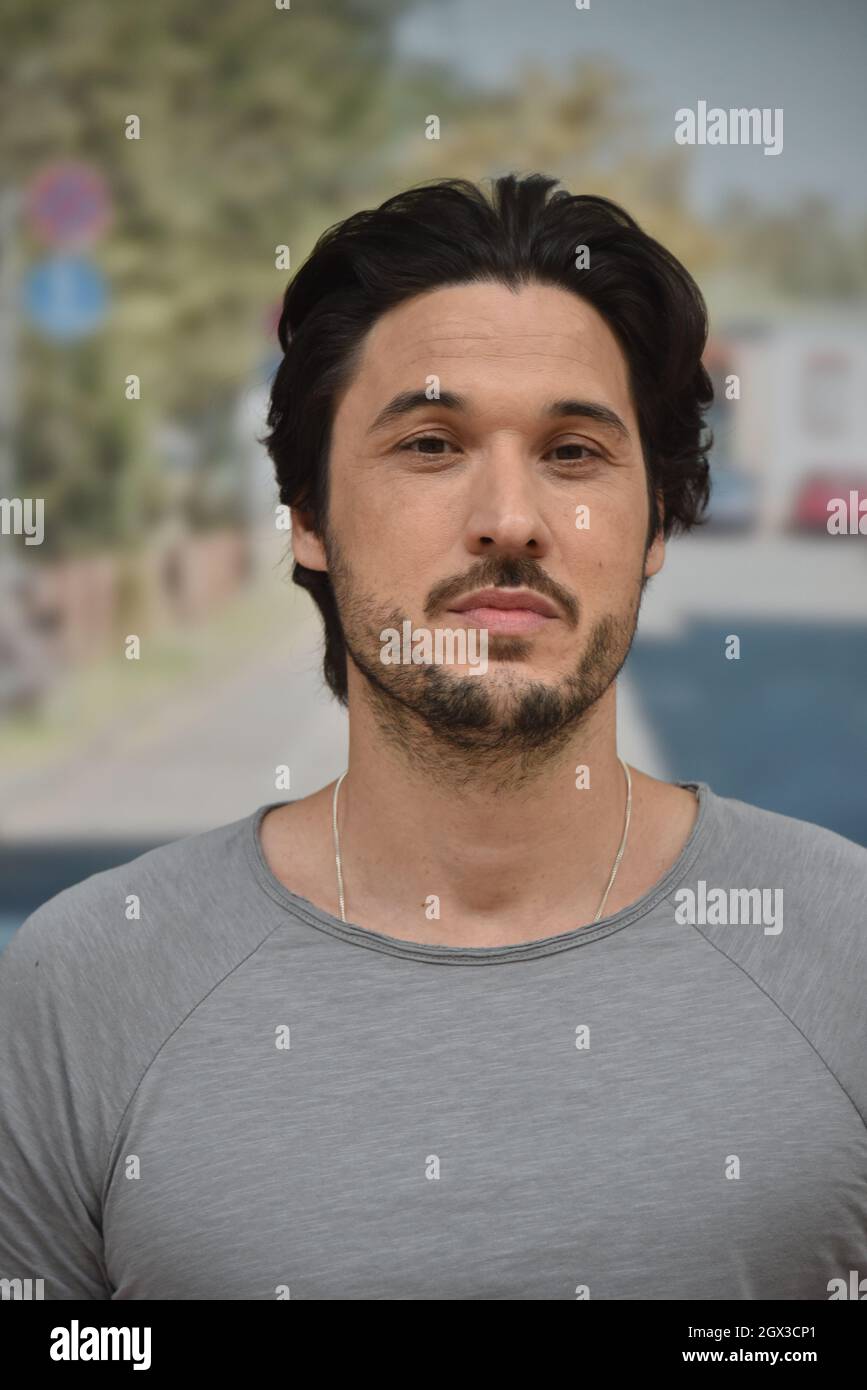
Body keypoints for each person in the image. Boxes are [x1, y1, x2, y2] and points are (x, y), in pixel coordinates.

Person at [1, 174, 865, 1301]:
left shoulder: (845, 949)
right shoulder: (86, 983)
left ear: (656, 522)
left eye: (573, 453)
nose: (510, 517)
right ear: (308, 516)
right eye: (429, 443)